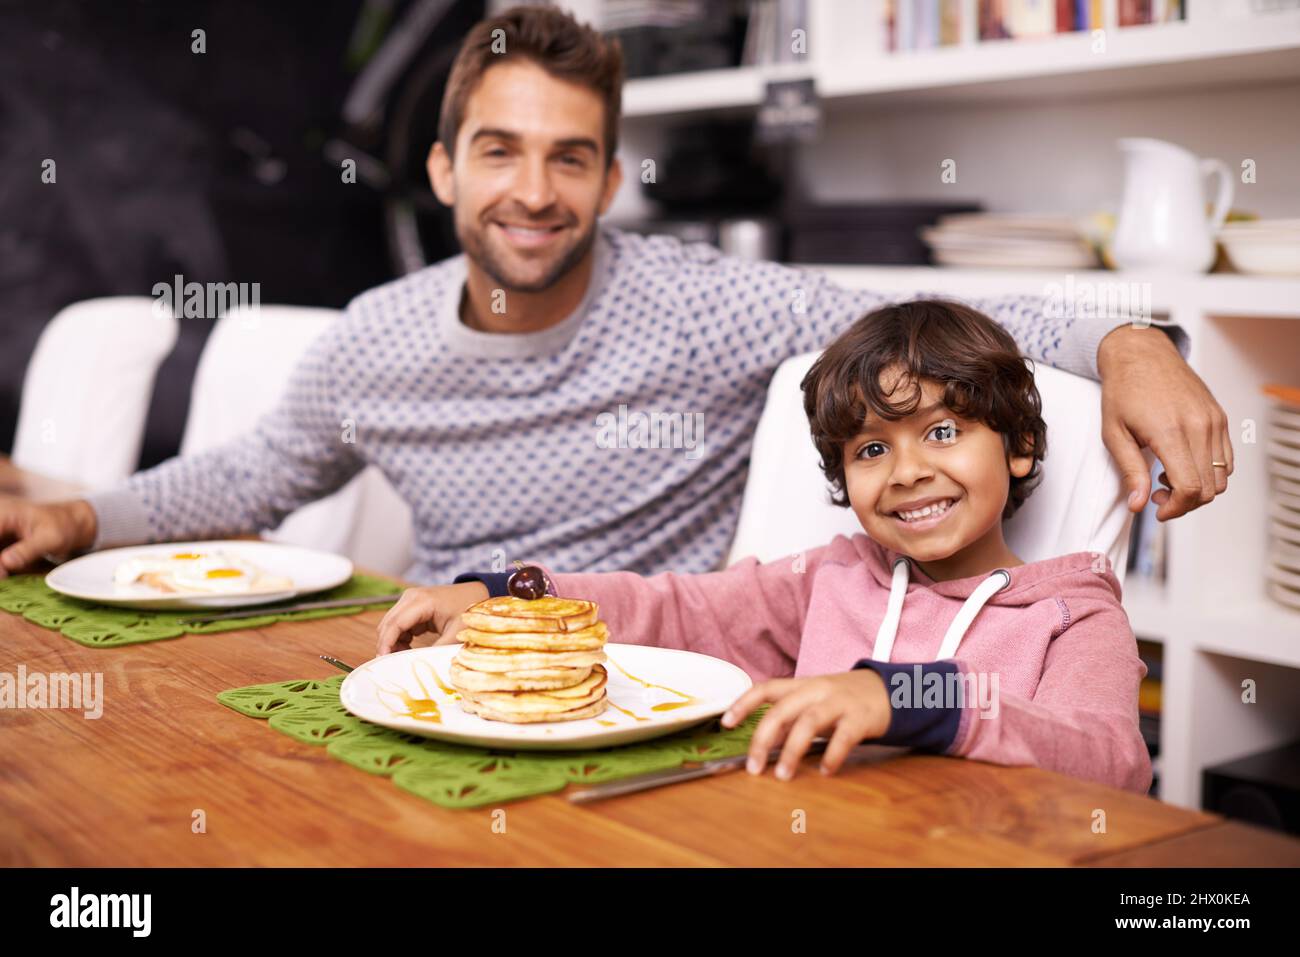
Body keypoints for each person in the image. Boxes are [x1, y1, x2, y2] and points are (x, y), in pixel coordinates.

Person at [0, 5, 1230, 586]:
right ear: (441, 169)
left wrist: (1130, 336)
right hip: (427, 678)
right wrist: (81, 520)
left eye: (569, 156)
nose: (533, 192)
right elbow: (250, 475)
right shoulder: (376, 341)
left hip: (652, 689)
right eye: (498, 151)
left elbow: (912, 313)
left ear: (605, 176)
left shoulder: (701, 307)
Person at [382, 299, 1151, 793]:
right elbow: (675, 609)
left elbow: (1109, 755)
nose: (909, 471)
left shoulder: (1071, 611)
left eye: (942, 432)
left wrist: (905, 698)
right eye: (871, 450)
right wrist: (509, 590)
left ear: (1018, 447)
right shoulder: (836, 577)